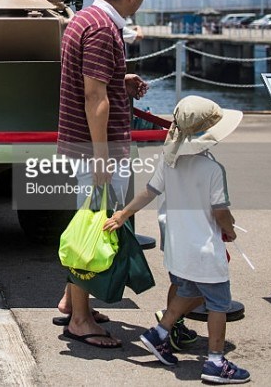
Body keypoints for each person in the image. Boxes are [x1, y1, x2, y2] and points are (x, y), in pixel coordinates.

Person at [103, 95, 251, 384]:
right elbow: (221, 212)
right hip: (205, 251)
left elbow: (149, 191)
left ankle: (159, 333)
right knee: (219, 303)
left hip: (177, 246)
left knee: (188, 291)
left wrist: (123, 214)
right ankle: (216, 361)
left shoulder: (169, 159)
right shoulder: (212, 170)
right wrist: (230, 229)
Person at [56, 0, 164, 349]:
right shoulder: (104, 29)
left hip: (81, 143)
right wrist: (102, 157)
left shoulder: (85, 18)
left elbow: (91, 80)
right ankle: (80, 320)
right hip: (97, 149)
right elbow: (94, 97)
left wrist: (121, 79)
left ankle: (72, 301)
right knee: (94, 229)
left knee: (88, 223)